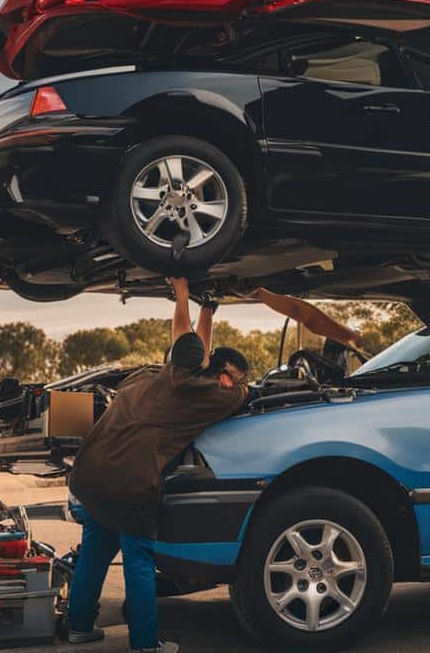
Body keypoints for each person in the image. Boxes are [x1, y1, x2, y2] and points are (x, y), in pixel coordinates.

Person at [65, 277, 250, 652]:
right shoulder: (215, 396)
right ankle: (146, 644)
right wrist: (183, 296)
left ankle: (79, 627)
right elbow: (193, 348)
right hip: (130, 485)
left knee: (96, 553)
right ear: (220, 374)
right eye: (234, 377)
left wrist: (204, 307)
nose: (235, 384)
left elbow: (191, 348)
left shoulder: (149, 377)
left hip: (89, 476)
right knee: (139, 560)